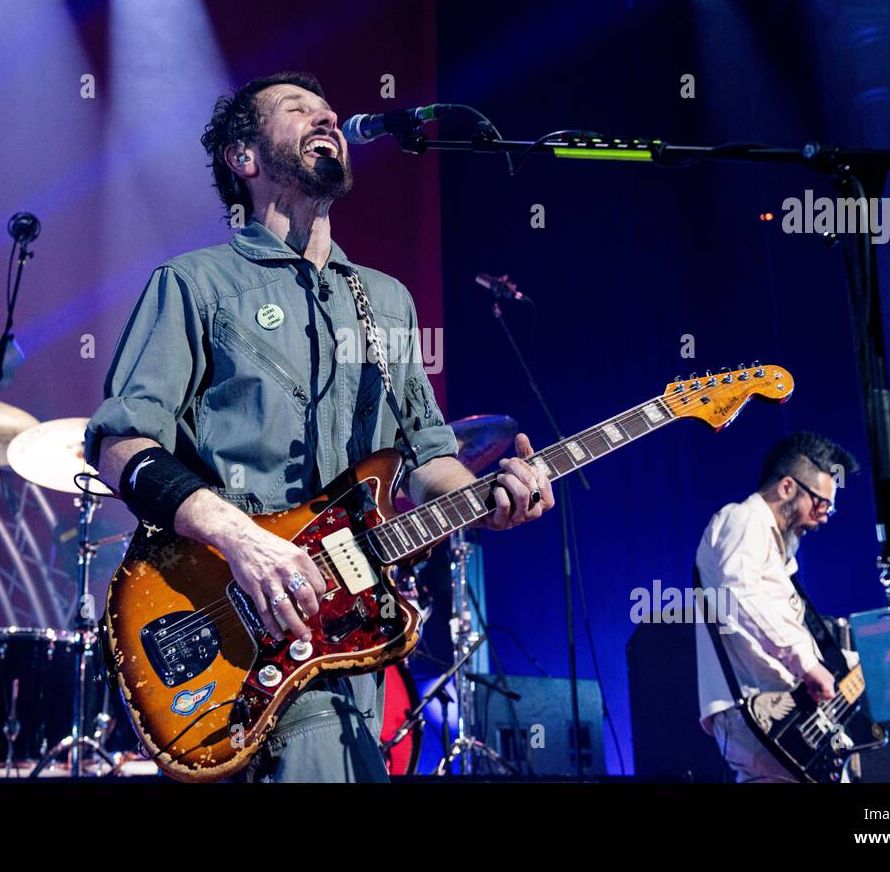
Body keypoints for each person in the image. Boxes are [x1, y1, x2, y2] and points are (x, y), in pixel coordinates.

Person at [84, 71, 553, 782]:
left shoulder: (386, 301)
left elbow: (428, 454)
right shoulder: (194, 284)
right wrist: (242, 540)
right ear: (243, 158)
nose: (328, 115)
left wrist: (490, 500)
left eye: (329, 110)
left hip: (346, 632)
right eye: (299, 109)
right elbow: (119, 440)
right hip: (232, 612)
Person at [694, 430, 858, 782]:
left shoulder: (778, 553)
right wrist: (806, 662)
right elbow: (740, 595)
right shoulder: (743, 519)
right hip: (759, 711)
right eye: (820, 503)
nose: (825, 516)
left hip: (784, 712)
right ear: (786, 487)